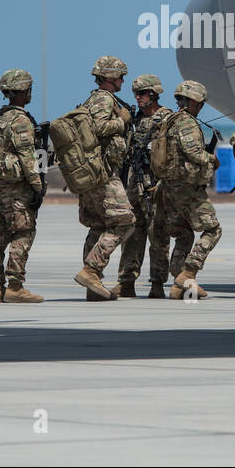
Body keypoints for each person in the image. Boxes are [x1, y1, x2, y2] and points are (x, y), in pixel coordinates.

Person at [73, 56, 136, 301]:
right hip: (103, 174)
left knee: (99, 227)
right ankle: (91, 271)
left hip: (92, 171)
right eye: (120, 76)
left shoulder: (92, 99)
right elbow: (100, 128)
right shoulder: (102, 99)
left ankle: (94, 287)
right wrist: (122, 121)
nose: (122, 80)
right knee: (125, 222)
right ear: (109, 77)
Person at [0, 69, 46, 304]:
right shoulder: (21, 121)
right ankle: (15, 286)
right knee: (23, 232)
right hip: (17, 190)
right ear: (22, 92)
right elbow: (28, 157)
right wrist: (37, 187)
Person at [163, 81, 223, 300]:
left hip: (170, 188)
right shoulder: (187, 122)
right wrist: (213, 159)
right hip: (187, 189)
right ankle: (188, 273)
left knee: (184, 234)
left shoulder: (169, 120)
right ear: (194, 102)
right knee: (213, 230)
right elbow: (194, 153)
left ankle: (180, 287)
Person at [116, 73, 173, 298]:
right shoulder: (134, 121)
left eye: (143, 94)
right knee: (131, 234)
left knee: (158, 236)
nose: (138, 98)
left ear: (154, 94)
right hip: (134, 187)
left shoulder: (168, 119)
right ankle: (126, 281)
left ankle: (157, 283)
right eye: (136, 94)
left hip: (156, 188)